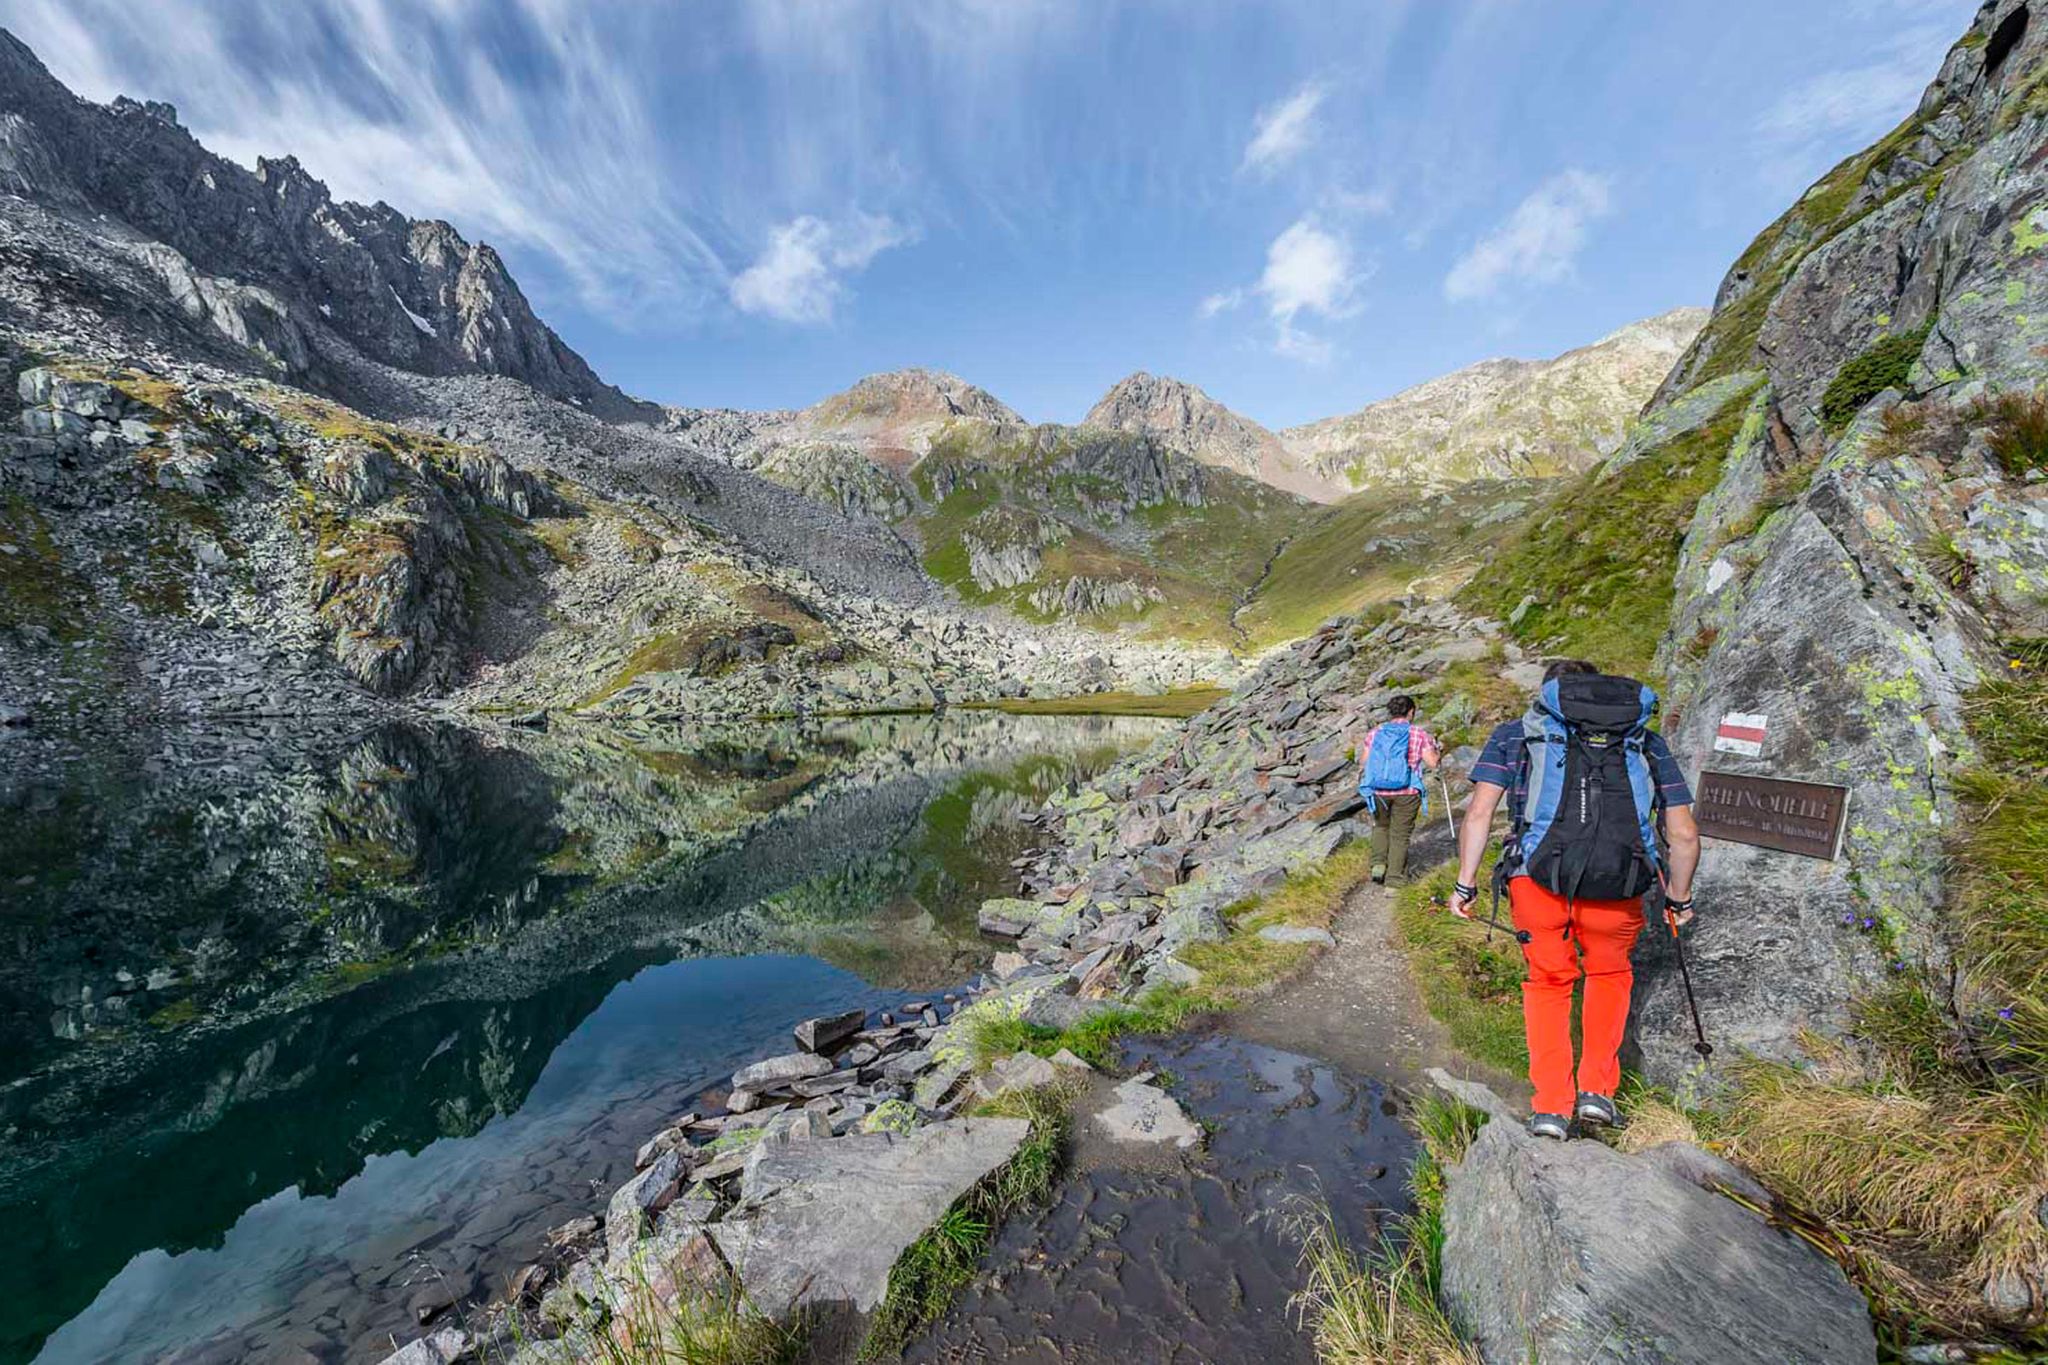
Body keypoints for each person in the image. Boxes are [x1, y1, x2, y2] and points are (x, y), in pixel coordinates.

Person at [1447, 659, 1701, 1140]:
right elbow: (1683, 833)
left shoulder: (1517, 732)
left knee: (1548, 983)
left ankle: (1551, 1108)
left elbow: (1479, 813)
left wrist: (1465, 883)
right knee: (1609, 975)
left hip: (1536, 881)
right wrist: (1678, 897)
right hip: (1620, 881)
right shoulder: (1641, 739)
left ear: (1548, 695)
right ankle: (1597, 1093)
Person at [1358, 694, 1441, 886]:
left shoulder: (1376, 732)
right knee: (1400, 834)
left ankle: (1378, 865)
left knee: (1380, 826)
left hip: (1378, 790)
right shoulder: (1418, 733)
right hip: (1408, 791)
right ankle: (1394, 880)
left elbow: (1363, 761)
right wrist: (1438, 750)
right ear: (1411, 712)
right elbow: (1432, 763)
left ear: (1390, 712)